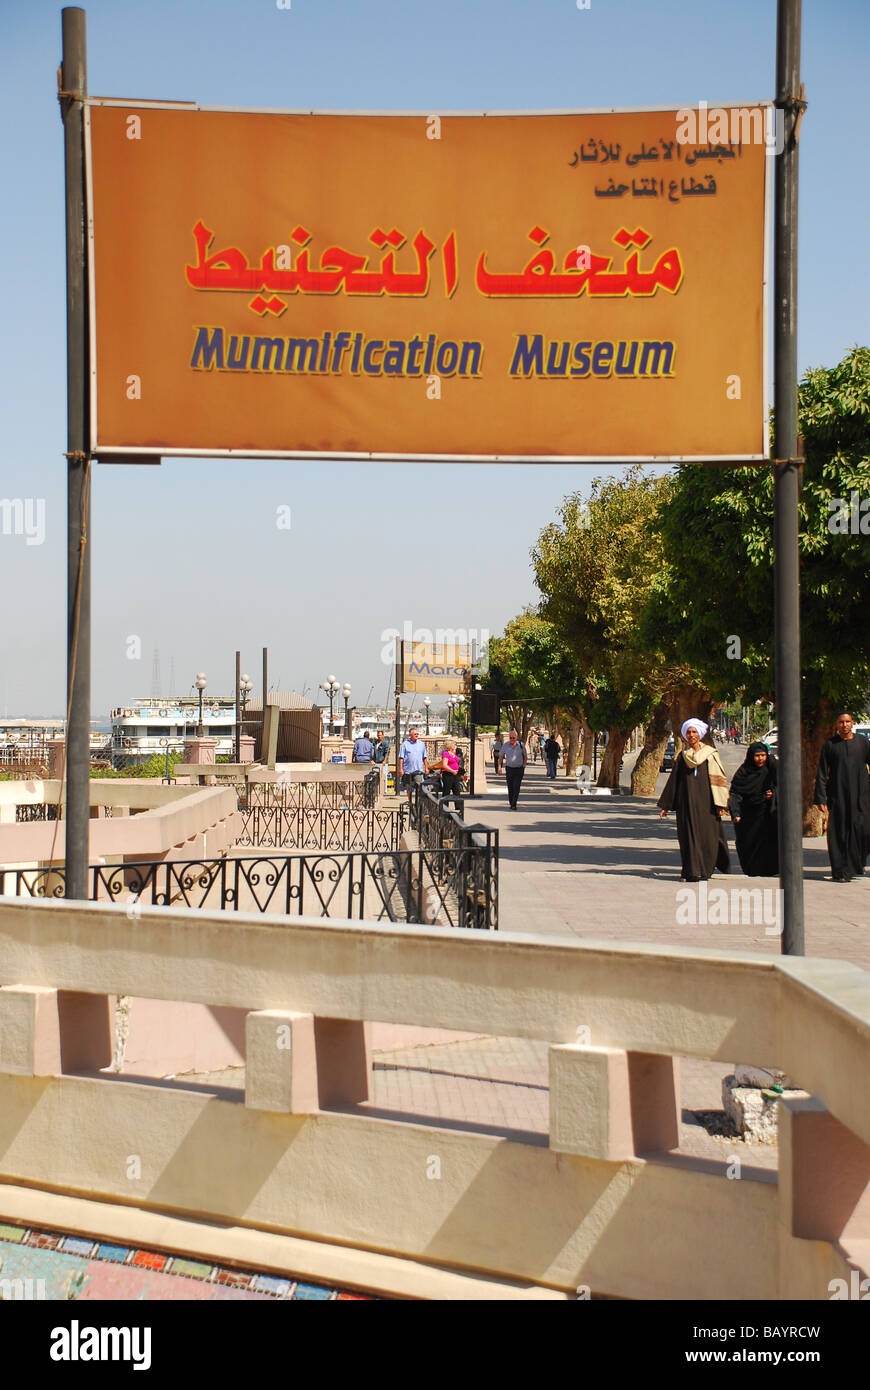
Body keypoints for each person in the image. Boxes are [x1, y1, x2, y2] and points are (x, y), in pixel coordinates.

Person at [658, 718, 730, 881]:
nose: (691, 735)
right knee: (688, 837)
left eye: (694, 732)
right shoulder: (683, 756)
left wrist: (721, 804)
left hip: (708, 805)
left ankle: (706, 870)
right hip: (686, 805)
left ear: (700, 734)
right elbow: (674, 782)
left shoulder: (711, 754)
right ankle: (691, 871)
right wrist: (666, 806)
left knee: (708, 837)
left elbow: (720, 779)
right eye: (688, 732)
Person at [814, 711, 870, 882]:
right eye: (841, 722)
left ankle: (855, 865)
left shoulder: (862, 742)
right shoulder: (830, 745)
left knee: (863, 830)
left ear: (853, 723)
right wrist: (821, 798)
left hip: (861, 795)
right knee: (838, 833)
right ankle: (840, 871)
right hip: (837, 795)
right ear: (836, 724)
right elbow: (822, 772)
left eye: (847, 722)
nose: (844, 725)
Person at [728, 742, 778, 876]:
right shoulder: (743, 772)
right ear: (751, 756)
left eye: (763, 755)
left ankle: (768, 869)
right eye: (757, 756)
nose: (760, 759)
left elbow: (782, 783)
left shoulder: (771, 768)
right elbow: (735, 793)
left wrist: (774, 793)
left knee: (768, 842)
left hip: (766, 813)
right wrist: (735, 812)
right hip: (748, 815)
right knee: (748, 843)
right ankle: (752, 869)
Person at [398, 725, 429, 802]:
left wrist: (426, 767)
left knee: (419, 786)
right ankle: (410, 801)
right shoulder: (405, 744)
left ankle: (418, 802)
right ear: (410, 735)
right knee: (408, 788)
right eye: (415, 734)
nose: (416, 735)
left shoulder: (421, 744)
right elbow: (401, 757)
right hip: (408, 770)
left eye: (417, 734)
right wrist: (401, 768)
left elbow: (424, 757)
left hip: (418, 770)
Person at [499, 728, 527, 810]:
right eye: (510, 738)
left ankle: (514, 804)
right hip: (509, 769)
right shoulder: (505, 745)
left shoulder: (521, 745)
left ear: (516, 738)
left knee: (516, 786)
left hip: (519, 769)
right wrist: (499, 767)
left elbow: (525, 756)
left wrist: (524, 765)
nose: (512, 739)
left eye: (513, 738)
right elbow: (500, 756)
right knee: (510, 787)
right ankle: (511, 802)